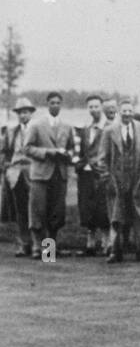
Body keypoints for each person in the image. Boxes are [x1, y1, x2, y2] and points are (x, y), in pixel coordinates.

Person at [23, 91, 77, 253]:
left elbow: (72, 148)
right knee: (38, 210)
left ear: (61, 105)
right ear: (47, 105)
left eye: (58, 103)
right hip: (40, 174)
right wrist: (48, 152)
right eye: (52, 103)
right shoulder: (37, 125)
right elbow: (27, 148)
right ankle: (37, 246)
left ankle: (49, 249)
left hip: (59, 174)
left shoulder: (67, 126)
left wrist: (67, 155)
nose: (55, 106)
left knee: (56, 212)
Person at [103, 100, 140, 263]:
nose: (127, 114)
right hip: (117, 180)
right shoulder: (110, 130)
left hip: (137, 179)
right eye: (124, 111)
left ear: (133, 112)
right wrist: (108, 177)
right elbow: (103, 158)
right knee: (117, 217)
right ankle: (115, 251)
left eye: (130, 111)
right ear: (119, 112)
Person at [74, 94, 112, 255]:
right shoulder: (86, 128)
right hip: (86, 172)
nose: (94, 109)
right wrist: (80, 164)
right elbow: (81, 150)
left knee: (102, 207)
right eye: (91, 107)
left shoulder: (110, 126)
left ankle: (106, 242)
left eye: (96, 106)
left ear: (101, 107)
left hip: (102, 172)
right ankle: (90, 242)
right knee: (86, 206)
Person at [2, 98, 37, 256]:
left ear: (31, 113)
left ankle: (45, 249)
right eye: (20, 112)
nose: (23, 115)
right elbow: (4, 151)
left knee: (40, 211)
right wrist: (7, 166)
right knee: (20, 211)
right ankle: (25, 244)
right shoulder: (11, 131)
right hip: (16, 174)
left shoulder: (38, 129)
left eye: (26, 112)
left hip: (36, 173)